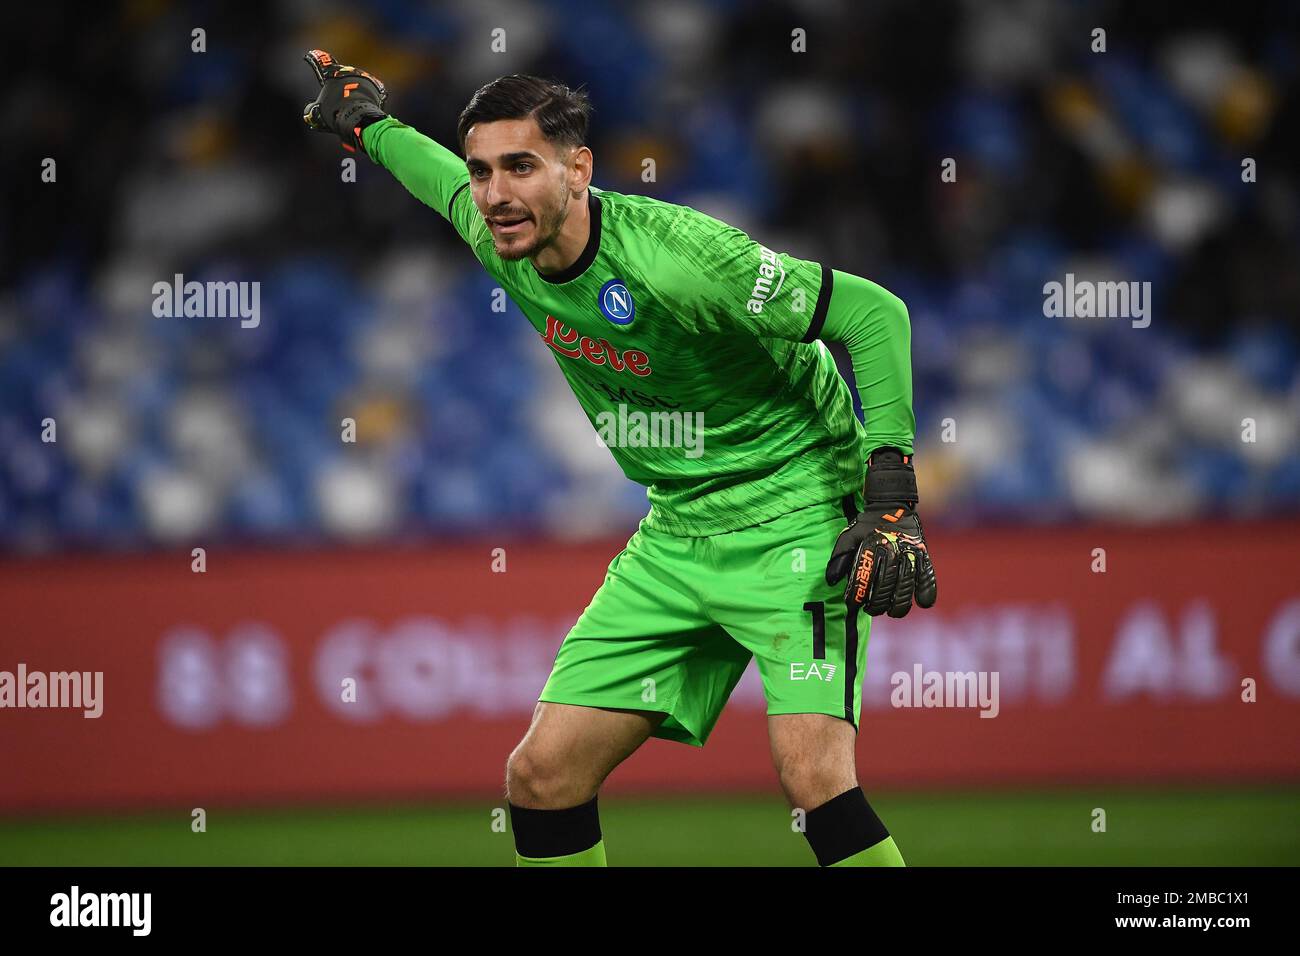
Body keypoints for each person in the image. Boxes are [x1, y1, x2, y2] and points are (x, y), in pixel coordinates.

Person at [302, 51, 937, 867]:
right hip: (678, 531)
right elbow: (433, 175)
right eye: (483, 170)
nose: (494, 193)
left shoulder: (684, 260)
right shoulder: (499, 231)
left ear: (578, 170)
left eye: (521, 167)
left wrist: (891, 494)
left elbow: (874, 314)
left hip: (799, 511)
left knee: (814, 779)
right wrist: (368, 124)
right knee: (542, 777)